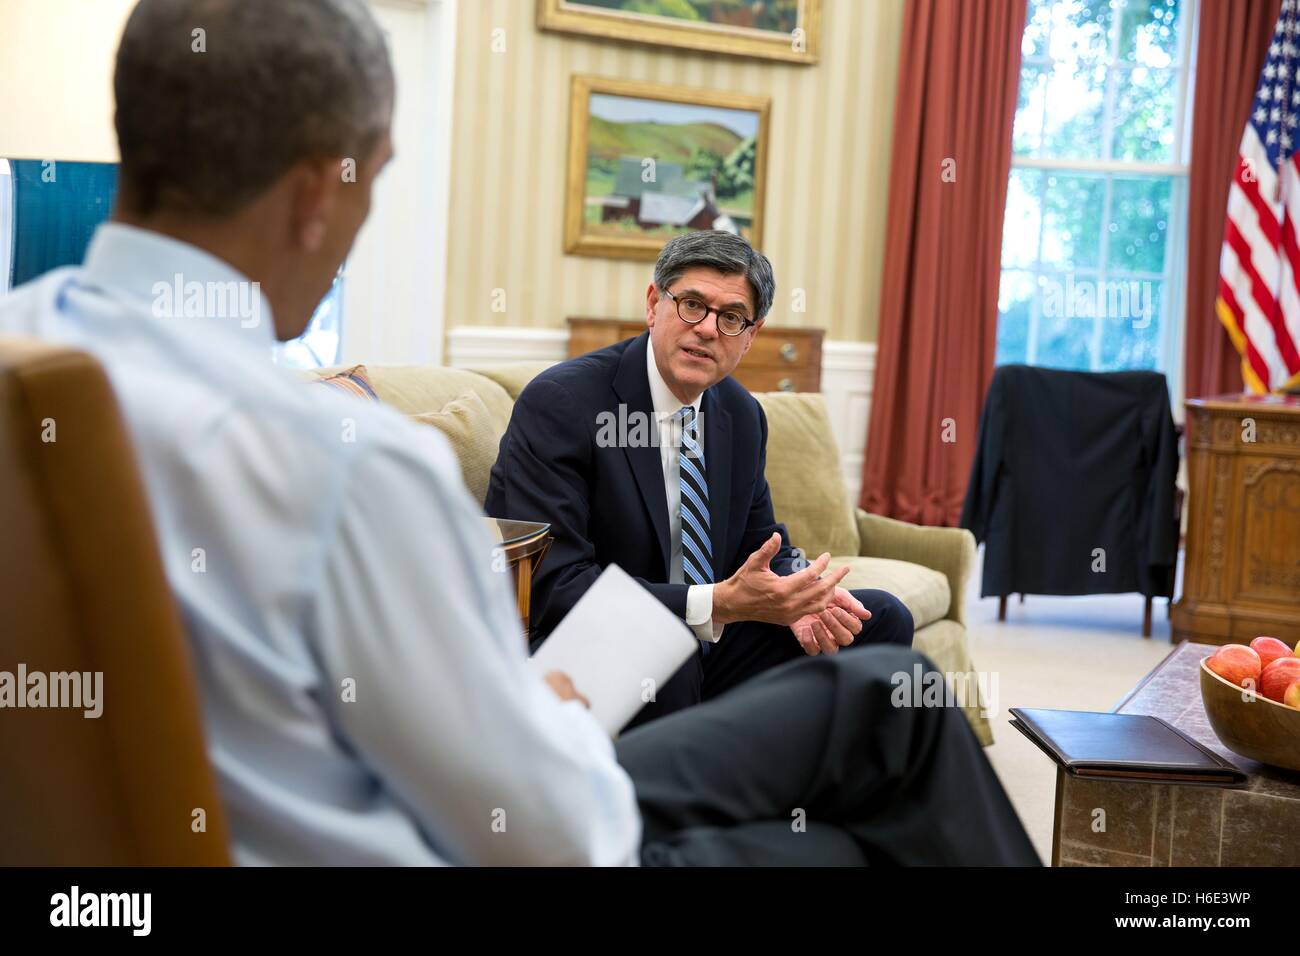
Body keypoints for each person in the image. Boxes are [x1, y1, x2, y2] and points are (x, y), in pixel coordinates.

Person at [0, 0, 1038, 866]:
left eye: (733, 317)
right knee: (876, 778)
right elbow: (548, 826)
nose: (709, 328)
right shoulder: (345, 468)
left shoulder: (25, 359)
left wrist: (778, 592)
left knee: (875, 675)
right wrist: (539, 704)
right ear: (322, 189)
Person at [486, 230, 913, 726]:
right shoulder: (564, 403)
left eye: (731, 318)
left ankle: (808, 793)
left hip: (704, 642)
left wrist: (798, 594)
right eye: (692, 304)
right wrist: (710, 604)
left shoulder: (740, 415)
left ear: (751, 335)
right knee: (669, 645)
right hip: (586, 649)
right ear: (654, 304)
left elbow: (760, 543)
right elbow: (553, 585)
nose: (708, 329)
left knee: (880, 619)